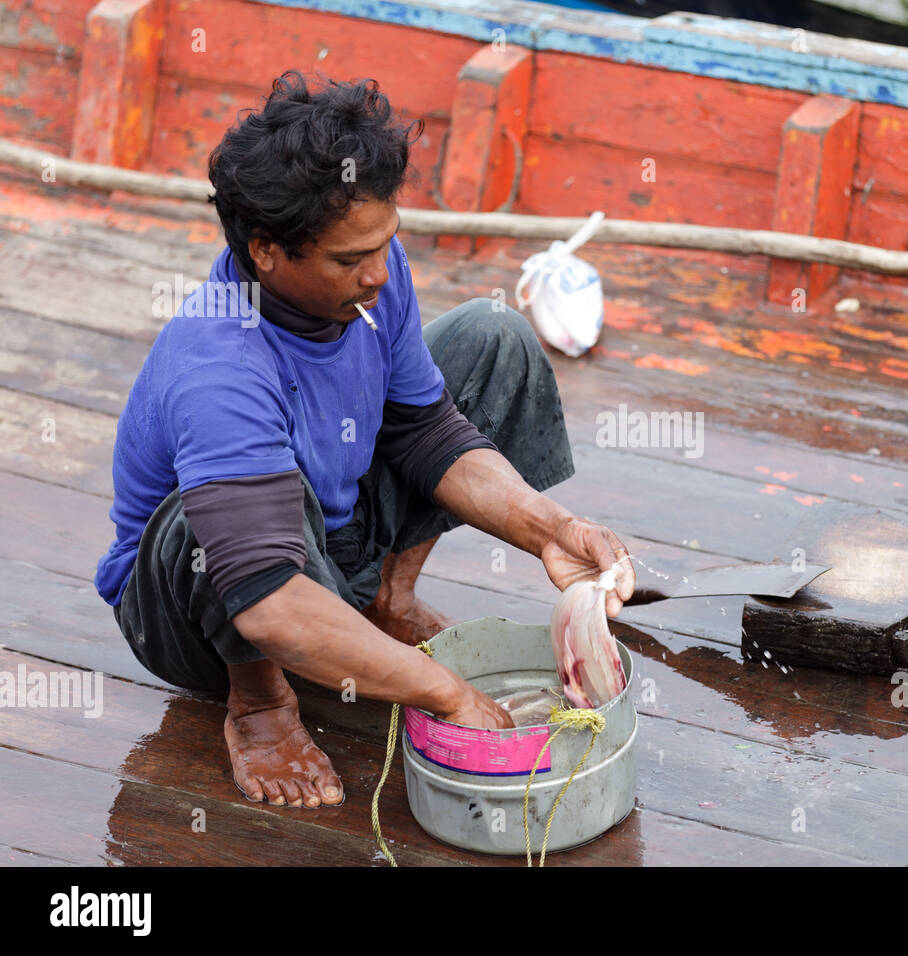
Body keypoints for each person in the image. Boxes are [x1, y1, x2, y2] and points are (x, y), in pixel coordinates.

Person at [93, 71, 634, 809]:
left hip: (329, 535)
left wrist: (551, 529)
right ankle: (259, 705)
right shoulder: (219, 363)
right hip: (198, 609)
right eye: (350, 260)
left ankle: (386, 599)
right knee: (209, 522)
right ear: (267, 252)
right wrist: (444, 692)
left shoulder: (375, 271)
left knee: (493, 336)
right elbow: (270, 599)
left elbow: (426, 429)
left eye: (386, 243)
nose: (380, 273)